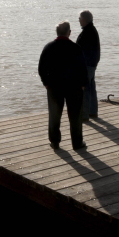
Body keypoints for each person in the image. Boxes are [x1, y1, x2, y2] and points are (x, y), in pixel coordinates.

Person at [37, 21, 89, 150]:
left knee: (54, 115)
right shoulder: (76, 48)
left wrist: (46, 83)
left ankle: (55, 142)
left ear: (56, 32)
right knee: (75, 117)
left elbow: (41, 68)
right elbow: (83, 69)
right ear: (69, 33)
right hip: (74, 87)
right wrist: (83, 84)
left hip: (54, 87)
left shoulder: (48, 47)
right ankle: (77, 143)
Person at [76, 10, 101, 122]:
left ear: (84, 20)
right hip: (92, 63)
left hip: (87, 65)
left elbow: (79, 49)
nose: (78, 20)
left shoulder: (86, 32)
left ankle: (84, 115)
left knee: (84, 89)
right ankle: (92, 111)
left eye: (79, 18)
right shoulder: (92, 30)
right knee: (91, 87)